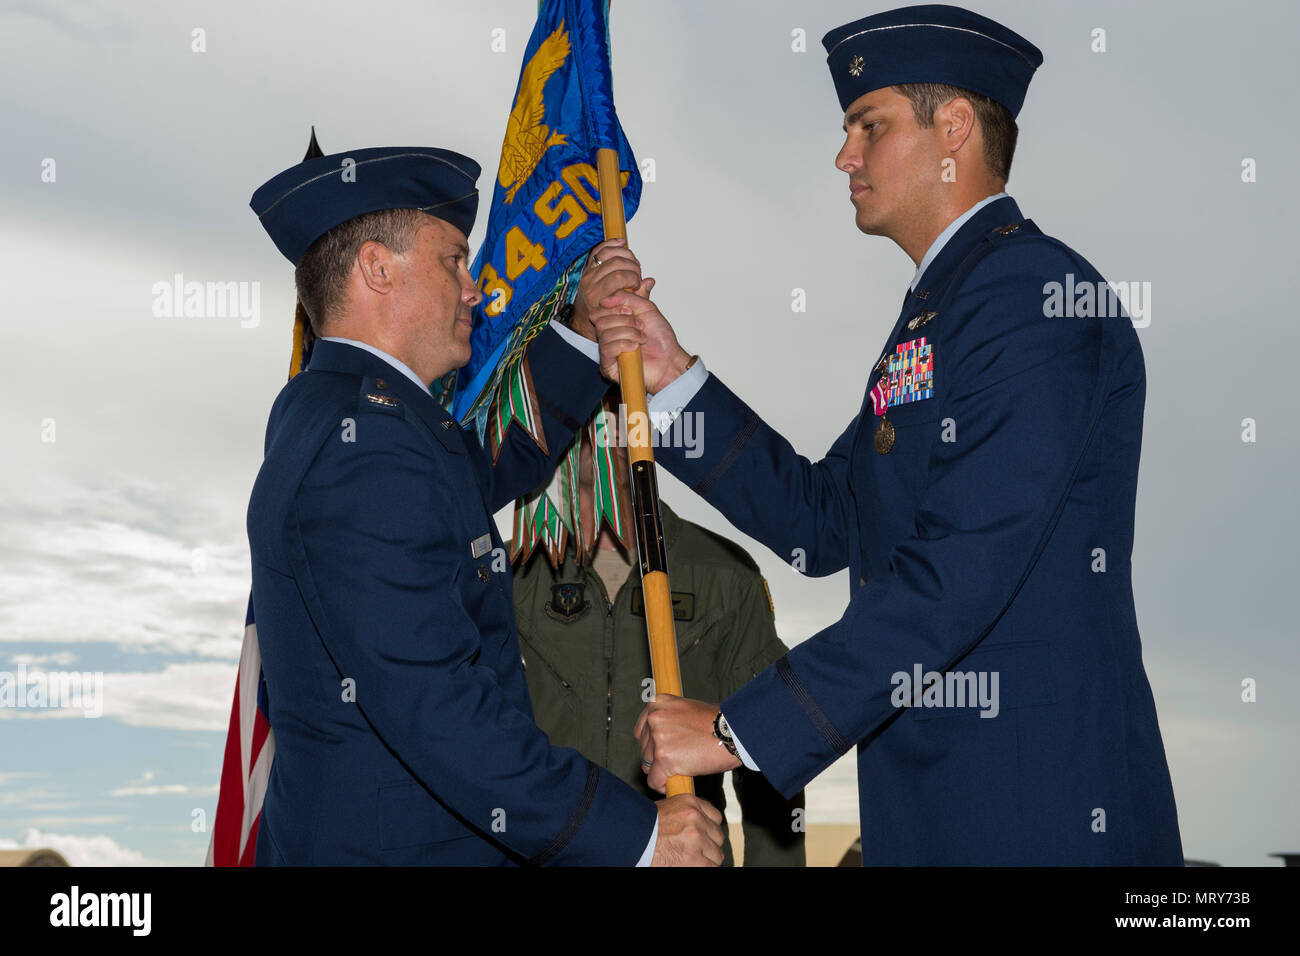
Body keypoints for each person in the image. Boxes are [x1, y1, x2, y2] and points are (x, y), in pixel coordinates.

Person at [591, 5, 1184, 865]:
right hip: (940, 812)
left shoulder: (1035, 301)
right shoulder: (948, 308)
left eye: (869, 126)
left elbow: (959, 574)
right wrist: (673, 372)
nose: (844, 156)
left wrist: (737, 730)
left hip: (1039, 816)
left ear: (954, 128)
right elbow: (827, 520)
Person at [244, 143, 723, 865]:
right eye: (454, 262)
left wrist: (580, 330)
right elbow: (435, 708)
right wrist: (643, 837)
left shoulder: (351, 416)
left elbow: (478, 469)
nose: (475, 289)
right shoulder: (364, 445)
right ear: (378, 267)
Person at [511, 420, 806, 866]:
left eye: (619, 409)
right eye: (586, 410)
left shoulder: (722, 573)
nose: (604, 429)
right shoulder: (509, 573)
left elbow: (769, 749)